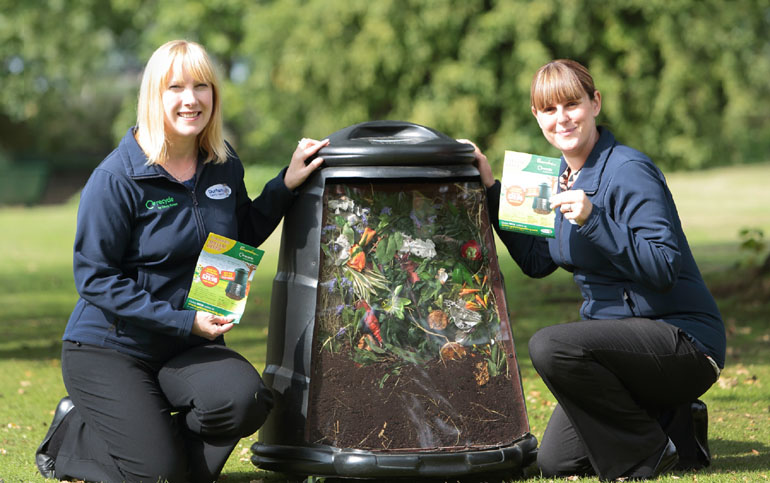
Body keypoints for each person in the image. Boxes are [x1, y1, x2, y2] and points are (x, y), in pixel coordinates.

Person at [34, 39, 328, 482]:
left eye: (201, 86)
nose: (190, 99)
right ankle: (73, 436)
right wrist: (184, 321)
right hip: (111, 348)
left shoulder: (223, 165)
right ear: (154, 96)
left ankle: (159, 453)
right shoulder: (116, 178)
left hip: (187, 347)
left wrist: (285, 183)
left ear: (214, 94)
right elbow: (95, 279)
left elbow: (238, 235)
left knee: (246, 401)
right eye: (175, 88)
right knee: (157, 473)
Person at [462, 59, 726, 481]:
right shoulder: (551, 179)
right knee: (557, 463)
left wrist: (595, 220)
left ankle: (649, 451)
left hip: (684, 342)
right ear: (537, 116)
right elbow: (535, 261)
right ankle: (677, 424)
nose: (562, 118)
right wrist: (492, 189)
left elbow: (662, 269)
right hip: (622, 352)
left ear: (595, 103)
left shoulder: (628, 170)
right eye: (549, 109)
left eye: (572, 104)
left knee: (551, 346)